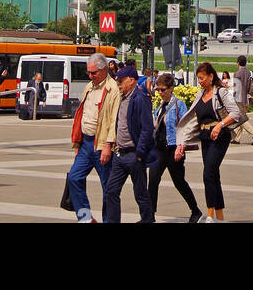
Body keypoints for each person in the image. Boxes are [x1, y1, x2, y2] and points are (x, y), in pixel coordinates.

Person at [174, 62, 242, 222]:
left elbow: (236, 112)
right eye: (198, 78)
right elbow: (194, 121)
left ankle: (210, 214)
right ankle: (220, 216)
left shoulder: (221, 93)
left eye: (202, 78)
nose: (200, 81)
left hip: (220, 137)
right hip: (205, 137)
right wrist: (182, 142)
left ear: (211, 76)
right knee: (213, 175)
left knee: (208, 174)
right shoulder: (200, 95)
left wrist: (220, 125)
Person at [67, 53, 120, 223]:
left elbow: (114, 120)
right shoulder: (89, 86)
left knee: (108, 189)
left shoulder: (113, 89)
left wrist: (108, 145)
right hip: (86, 144)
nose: (90, 76)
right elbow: (81, 114)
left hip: (102, 144)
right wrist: (77, 143)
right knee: (74, 178)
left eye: (94, 73)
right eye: (88, 73)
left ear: (104, 70)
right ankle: (85, 218)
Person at [148, 72, 203, 222]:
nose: (160, 92)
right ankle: (150, 215)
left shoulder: (179, 104)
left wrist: (181, 147)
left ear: (171, 88)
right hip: (159, 149)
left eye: (163, 89)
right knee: (152, 180)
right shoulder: (159, 106)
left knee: (179, 182)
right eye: (158, 89)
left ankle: (195, 210)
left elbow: (185, 127)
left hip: (173, 148)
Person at [104, 64, 155, 224]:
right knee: (111, 190)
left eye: (121, 80)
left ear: (132, 81)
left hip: (134, 155)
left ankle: (147, 220)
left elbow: (147, 129)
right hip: (120, 155)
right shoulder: (121, 98)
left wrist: (139, 154)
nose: (118, 82)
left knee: (140, 192)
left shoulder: (140, 99)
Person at [232, 54, 253, 145]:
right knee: (240, 117)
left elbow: (236, 88)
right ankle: (237, 138)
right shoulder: (249, 73)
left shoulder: (237, 74)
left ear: (238, 63)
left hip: (239, 99)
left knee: (241, 118)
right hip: (247, 99)